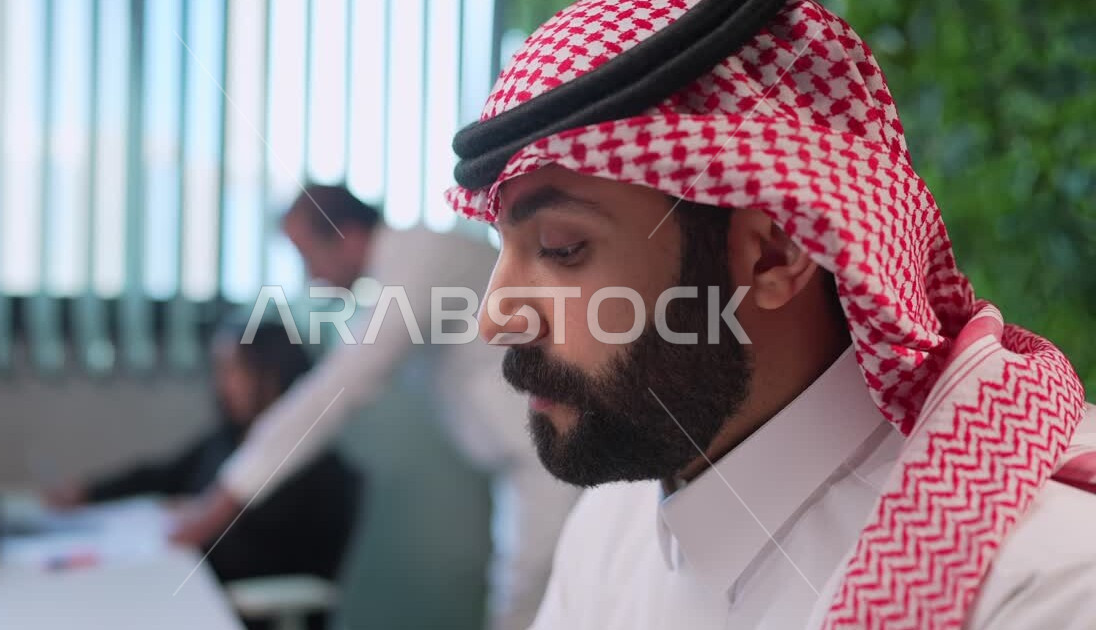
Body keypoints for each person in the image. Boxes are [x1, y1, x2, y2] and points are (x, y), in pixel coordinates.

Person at [445, 0, 1096, 628]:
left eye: (563, 249)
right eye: (505, 246)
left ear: (773, 255)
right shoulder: (610, 530)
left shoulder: (1046, 584)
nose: (496, 319)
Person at [170, 185, 581, 630]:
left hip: (551, 460)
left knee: (533, 605)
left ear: (345, 234)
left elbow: (338, 390)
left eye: (308, 256)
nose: (311, 277)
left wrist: (221, 501)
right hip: (528, 461)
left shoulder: (421, 259)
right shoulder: (407, 266)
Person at [46, 319, 362, 592]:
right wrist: (89, 492)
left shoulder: (309, 464)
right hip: (196, 583)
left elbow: (255, 550)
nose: (222, 383)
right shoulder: (229, 439)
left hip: (245, 604)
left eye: (233, 370)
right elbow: (164, 474)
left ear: (270, 373)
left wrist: (197, 515)